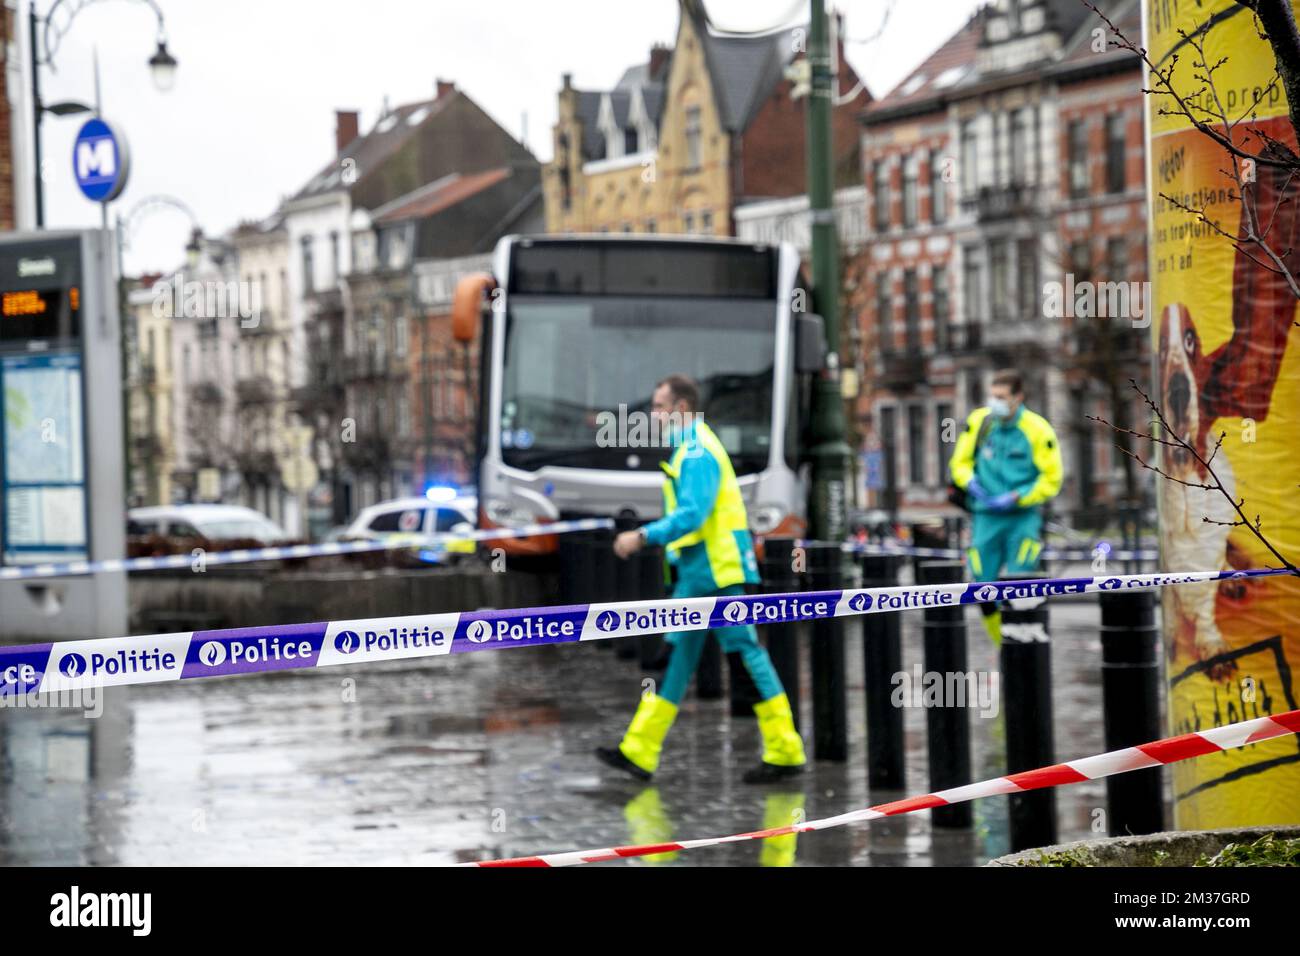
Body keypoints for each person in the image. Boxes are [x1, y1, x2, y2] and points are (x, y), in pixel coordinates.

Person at [596, 374, 806, 784]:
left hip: (716, 571)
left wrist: (642, 537)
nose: (653, 415)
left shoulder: (695, 452)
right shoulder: (692, 448)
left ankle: (785, 750)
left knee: (745, 654)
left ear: (680, 408)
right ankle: (639, 750)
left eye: (659, 407)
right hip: (703, 571)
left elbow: (693, 514)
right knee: (678, 660)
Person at [948, 369, 1063, 646]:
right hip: (985, 516)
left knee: (1019, 585)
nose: (994, 401)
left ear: (1018, 397)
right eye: (992, 395)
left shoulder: (1037, 430)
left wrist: (1017, 496)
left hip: (1021, 518)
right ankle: (1002, 646)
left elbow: (1052, 478)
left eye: (1000, 396)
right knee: (982, 586)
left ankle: (1023, 650)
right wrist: (970, 482)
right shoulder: (980, 422)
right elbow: (959, 463)